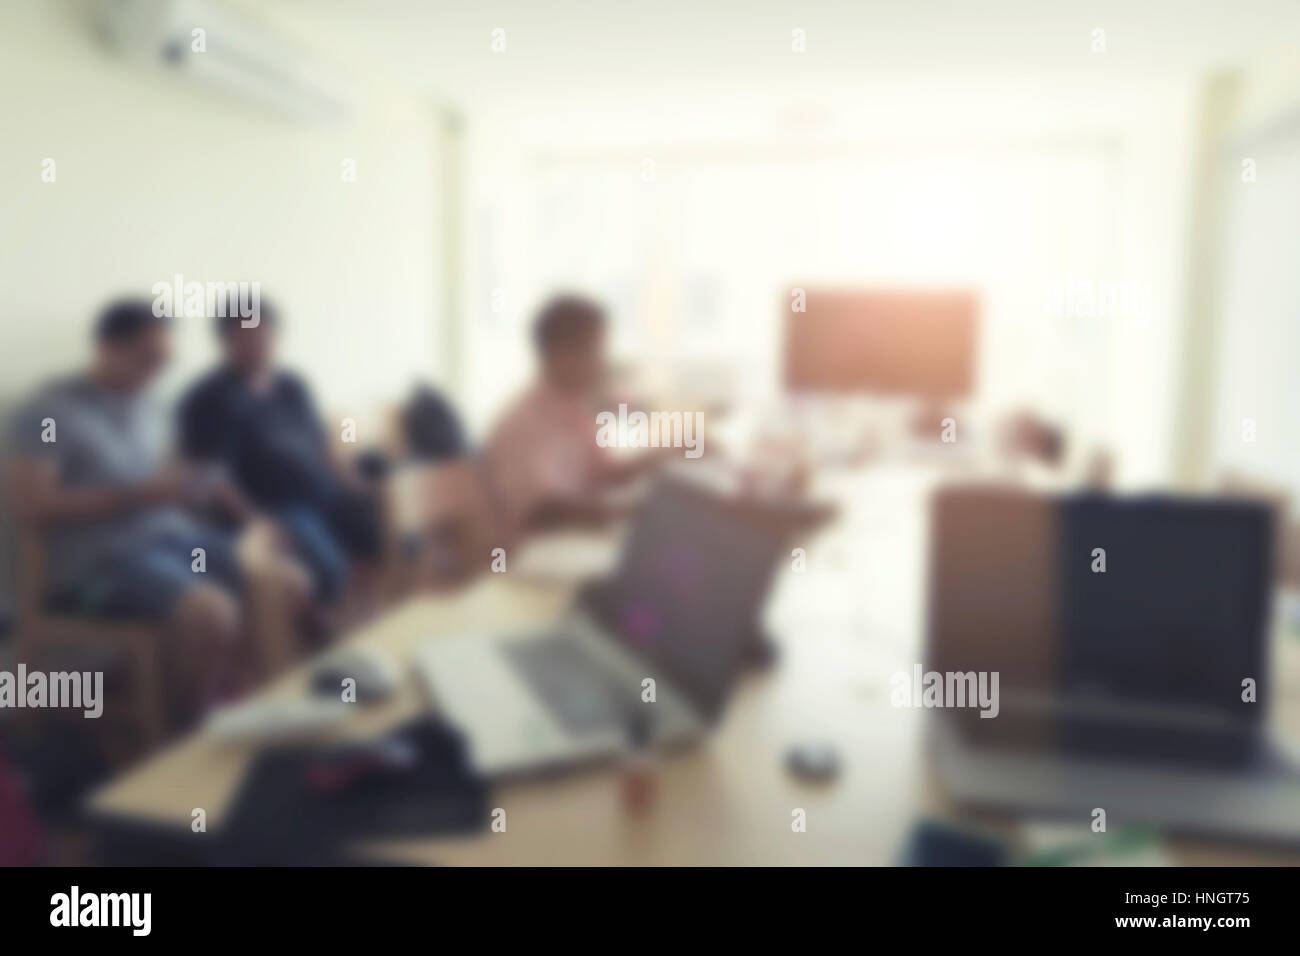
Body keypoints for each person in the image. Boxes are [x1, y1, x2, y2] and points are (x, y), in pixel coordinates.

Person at [3, 300, 294, 711]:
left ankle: (257, 704)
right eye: (147, 360)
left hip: (168, 539)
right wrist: (140, 495)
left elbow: (157, 475)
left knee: (278, 577)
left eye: (164, 363)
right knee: (212, 615)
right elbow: (29, 507)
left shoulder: (150, 407)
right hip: (97, 566)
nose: (156, 373)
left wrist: (187, 484)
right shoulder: (47, 415)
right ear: (107, 346)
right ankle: (183, 733)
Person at [178, 305, 382, 605]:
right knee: (328, 569)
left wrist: (353, 482)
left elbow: (323, 443)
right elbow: (212, 477)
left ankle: (377, 615)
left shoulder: (292, 386)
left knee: (387, 531)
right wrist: (257, 521)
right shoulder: (208, 399)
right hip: (273, 508)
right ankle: (323, 633)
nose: (259, 343)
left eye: (265, 334)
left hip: (322, 493)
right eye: (247, 335)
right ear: (226, 341)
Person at [483, 294, 660, 537]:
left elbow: (605, 473)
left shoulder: (572, 408)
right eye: (595, 352)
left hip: (570, 542)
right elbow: (543, 512)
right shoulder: (523, 422)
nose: (603, 364)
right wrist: (625, 513)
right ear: (561, 355)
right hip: (536, 557)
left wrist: (666, 455)